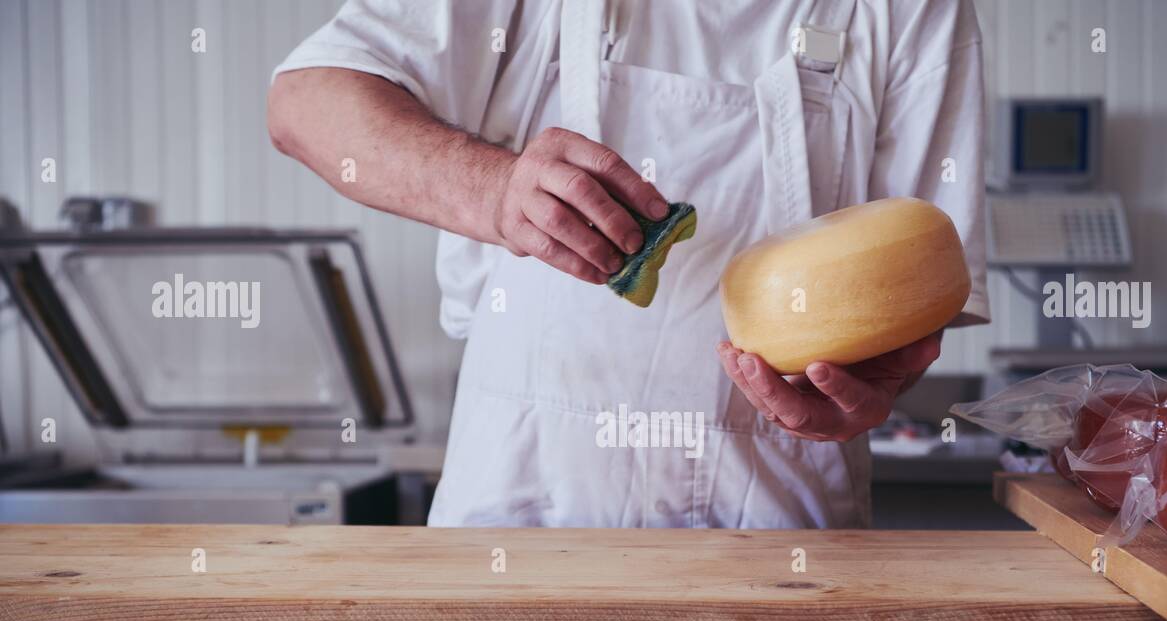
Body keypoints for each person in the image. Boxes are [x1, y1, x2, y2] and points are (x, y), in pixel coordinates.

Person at [269, 0, 988, 528]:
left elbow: (926, 273)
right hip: (523, 510)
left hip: (778, 540)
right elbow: (306, 103)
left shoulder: (916, 11)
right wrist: (495, 189)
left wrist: (876, 383)